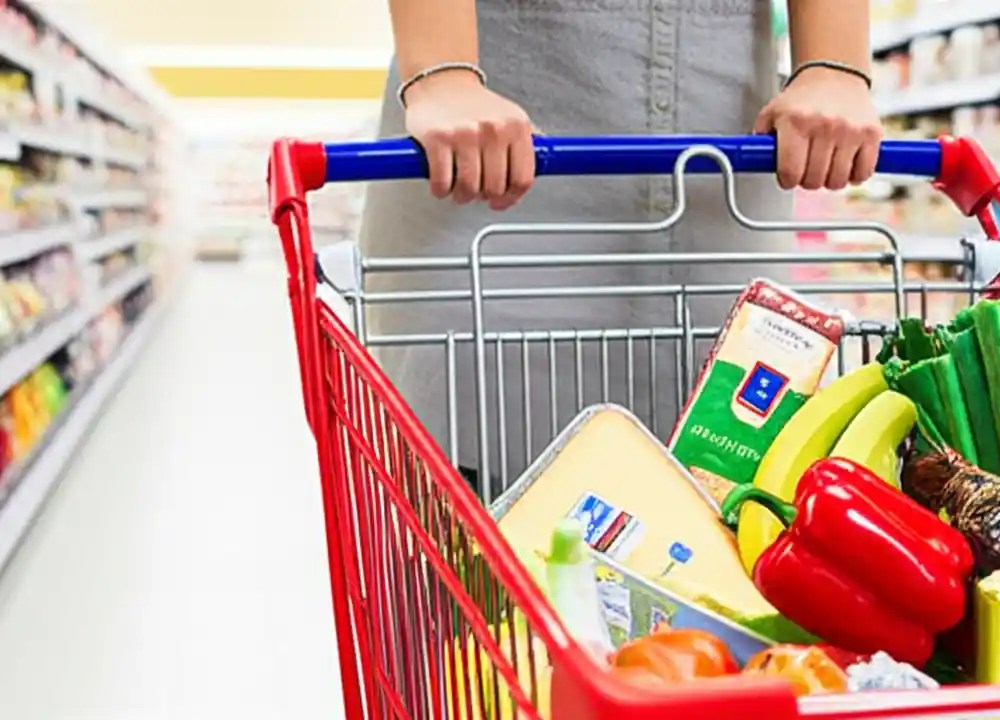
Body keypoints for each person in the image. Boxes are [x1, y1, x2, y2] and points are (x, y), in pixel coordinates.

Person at [360, 0, 884, 501]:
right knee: (467, 520)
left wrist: (833, 67)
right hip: (484, 149)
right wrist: (443, 74)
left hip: (723, 157)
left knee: (723, 489)